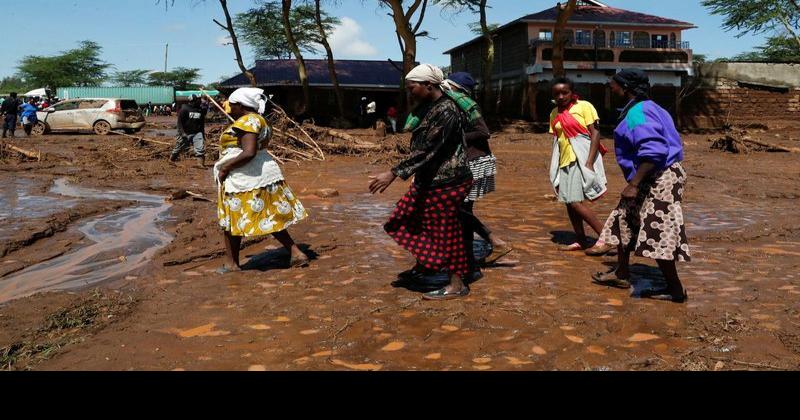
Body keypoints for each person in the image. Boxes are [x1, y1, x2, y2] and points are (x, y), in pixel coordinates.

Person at [369, 64, 474, 301]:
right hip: (430, 179)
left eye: (412, 87)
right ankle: (430, 265)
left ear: (429, 85)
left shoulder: (447, 110)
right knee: (404, 218)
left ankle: (456, 283)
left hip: (448, 180)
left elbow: (430, 149)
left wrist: (394, 172)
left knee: (447, 232)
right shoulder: (430, 107)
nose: (409, 92)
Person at [592, 69, 690, 303]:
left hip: (658, 175)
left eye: (614, 85)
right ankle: (622, 272)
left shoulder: (638, 112)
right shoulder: (652, 108)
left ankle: (676, 290)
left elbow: (654, 151)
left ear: (626, 88)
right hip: (657, 173)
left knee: (658, 228)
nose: (610, 88)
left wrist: (634, 183)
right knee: (624, 218)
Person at [214, 87, 310, 274]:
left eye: (231, 104)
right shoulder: (260, 120)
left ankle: (231, 264)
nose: (228, 107)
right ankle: (296, 252)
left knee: (231, 220)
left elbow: (249, 152)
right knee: (270, 215)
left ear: (240, 106)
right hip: (263, 174)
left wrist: (225, 168)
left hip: (245, 177)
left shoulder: (247, 121)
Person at [444, 72, 513, 267]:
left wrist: (457, 137)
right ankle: (468, 257)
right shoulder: (458, 105)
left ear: (458, 89)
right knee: (464, 209)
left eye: (449, 86)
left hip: (475, 161)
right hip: (470, 160)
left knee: (459, 208)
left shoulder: (467, 106)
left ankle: (493, 240)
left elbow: (484, 131)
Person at [548, 77, 614, 256]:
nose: (561, 96)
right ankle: (581, 239)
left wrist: (590, 162)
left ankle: (607, 238)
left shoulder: (584, 106)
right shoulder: (554, 113)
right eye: (557, 94)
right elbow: (558, 140)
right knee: (568, 203)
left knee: (575, 203)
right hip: (564, 160)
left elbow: (595, 134)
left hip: (581, 158)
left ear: (572, 92)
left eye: (565, 92)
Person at [171, 95, 207, 168]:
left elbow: (202, 122)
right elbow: (179, 123)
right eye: (198, 100)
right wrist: (182, 133)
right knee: (179, 148)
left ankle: (200, 164)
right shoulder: (184, 109)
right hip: (185, 132)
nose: (200, 101)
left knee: (200, 148)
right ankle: (171, 160)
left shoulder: (200, 109)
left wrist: (202, 133)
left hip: (197, 132)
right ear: (193, 101)